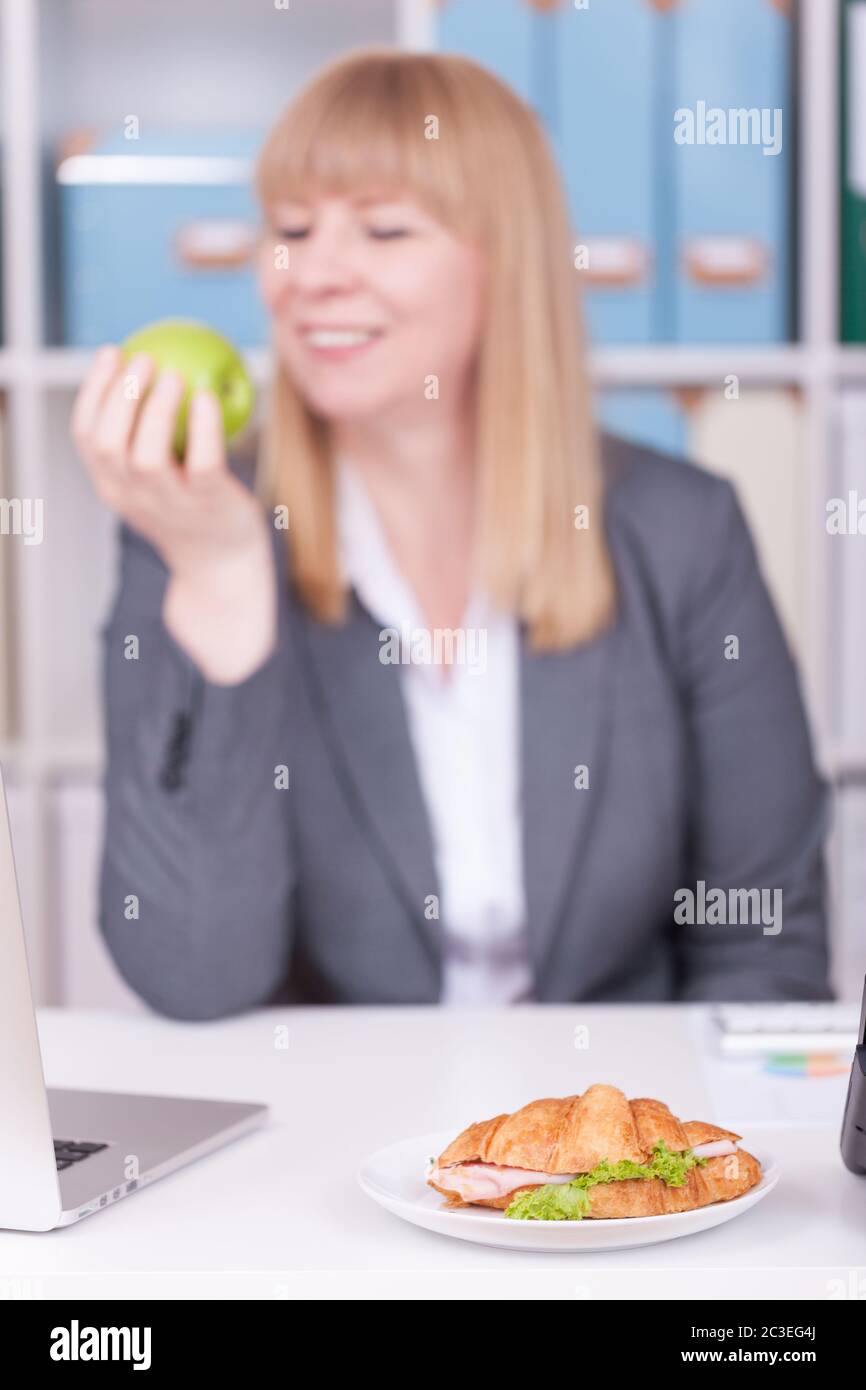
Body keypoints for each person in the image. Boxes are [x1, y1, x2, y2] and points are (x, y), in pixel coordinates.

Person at [71, 50, 831, 1018]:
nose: (310, 274)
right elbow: (193, 976)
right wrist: (221, 578)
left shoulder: (682, 529)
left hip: (614, 1129)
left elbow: (760, 941)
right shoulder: (192, 524)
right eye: (290, 229)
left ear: (504, 265)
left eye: (383, 228)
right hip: (339, 1135)